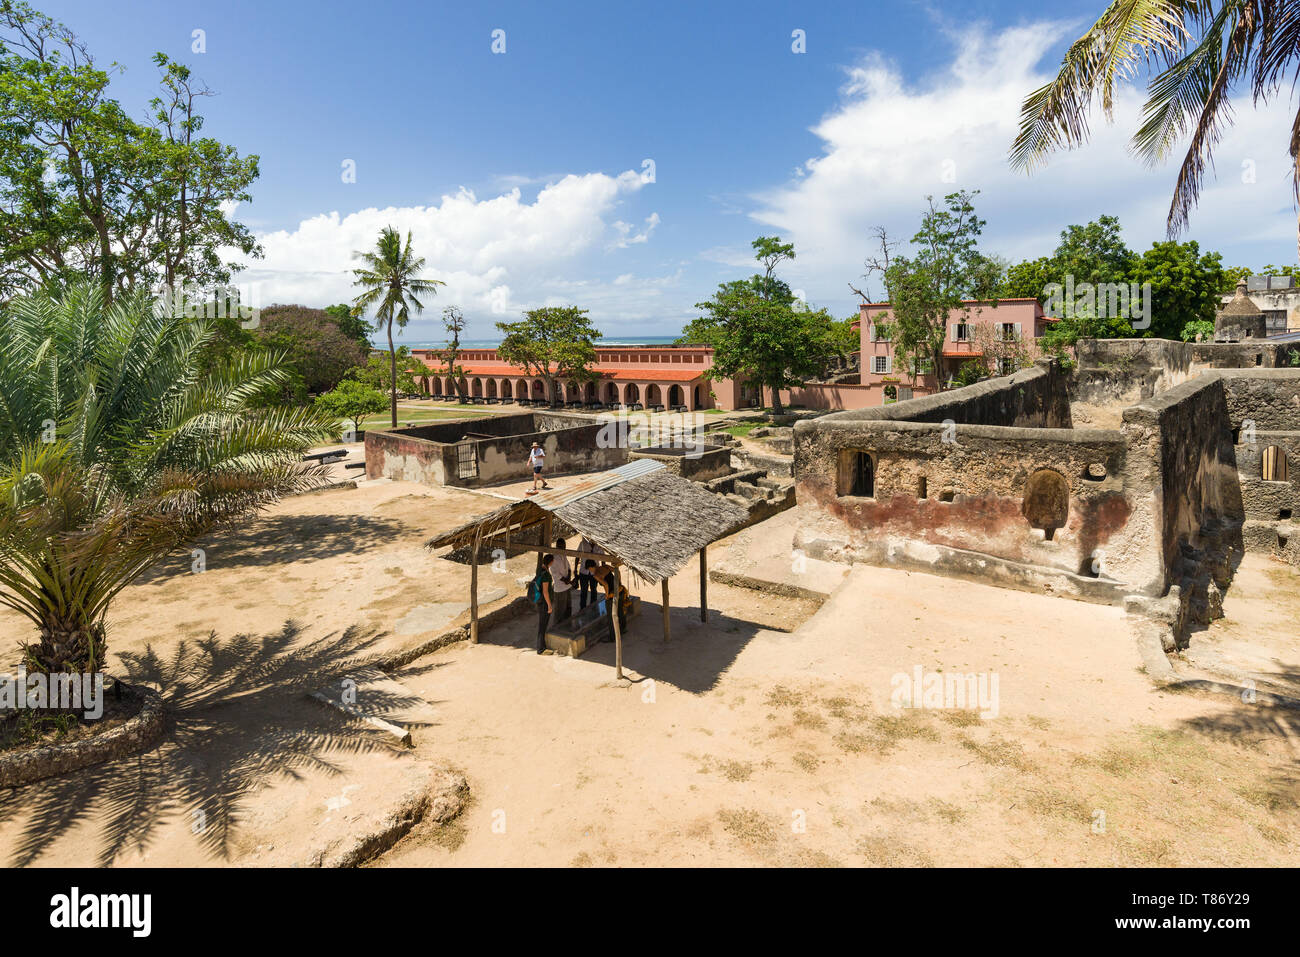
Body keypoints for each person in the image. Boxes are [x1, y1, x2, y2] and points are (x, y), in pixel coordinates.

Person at [534, 554, 555, 654]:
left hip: (540, 602)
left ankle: (542, 646)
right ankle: (540, 649)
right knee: (543, 626)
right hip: (544, 603)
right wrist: (549, 605)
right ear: (550, 562)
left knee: (542, 625)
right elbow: (545, 591)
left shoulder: (540, 570)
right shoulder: (546, 574)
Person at [552, 538, 573, 622]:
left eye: (564, 545)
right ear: (557, 546)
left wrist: (569, 578)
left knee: (568, 607)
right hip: (560, 588)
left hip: (567, 586)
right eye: (561, 546)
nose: (563, 547)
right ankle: (557, 628)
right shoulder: (554, 557)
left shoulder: (564, 554)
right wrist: (566, 580)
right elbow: (555, 573)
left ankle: (567, 624)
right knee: (560, 610)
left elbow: (568, 567)